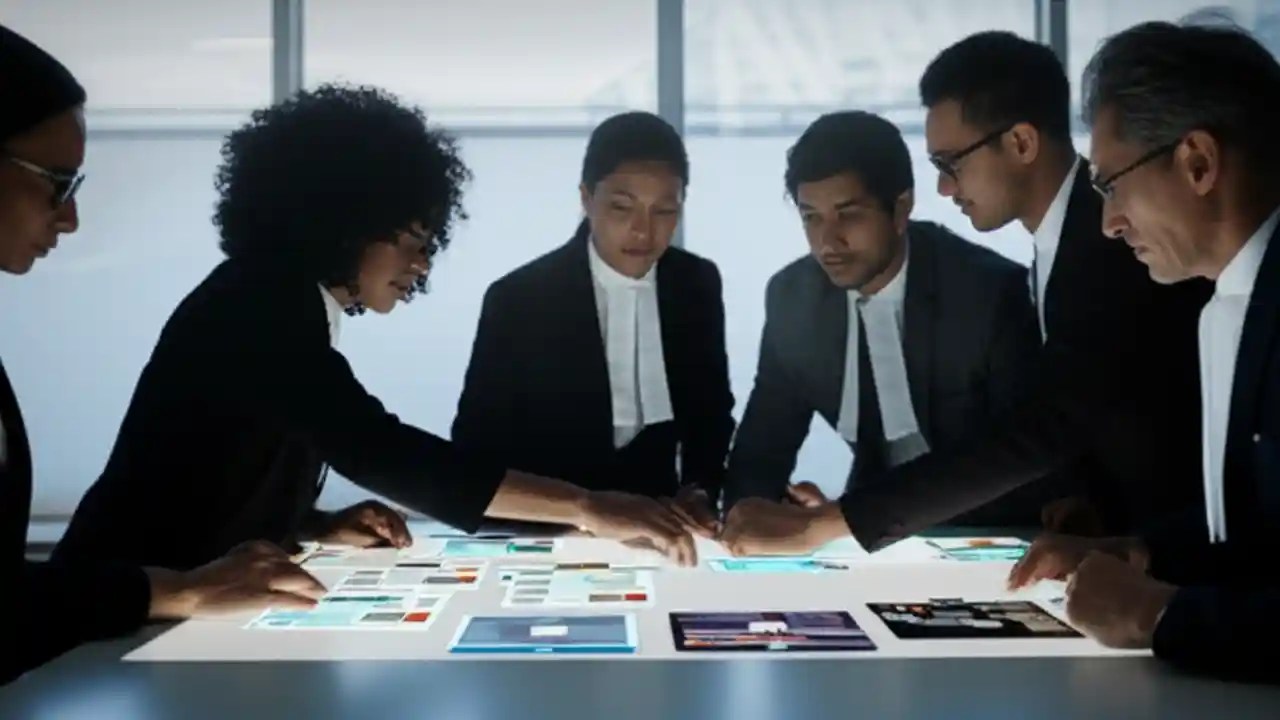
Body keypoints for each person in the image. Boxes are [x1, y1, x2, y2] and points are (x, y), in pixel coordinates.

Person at [52, 85, 698, 574]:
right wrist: (586, 505)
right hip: (109, 602)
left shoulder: (276, 298)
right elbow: (376, 445)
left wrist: (317, 524)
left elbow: (221, 465)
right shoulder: (260, 305)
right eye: (414, 241)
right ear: (346, 223)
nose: (423, 265)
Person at [721, 31, 1210, 557]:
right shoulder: (1064, 244)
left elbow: (1044, 428)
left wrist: (834, 523)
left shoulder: (1100, 244)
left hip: (1183, 547)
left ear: (1021, 143)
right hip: (1127, 536)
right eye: (809, 217)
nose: (947, 190)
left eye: (951, 164)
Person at [0, 24, 326, 685]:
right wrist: (173, 590)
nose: (70, 220)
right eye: (56, 184)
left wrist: (316, 520)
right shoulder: (255, 298)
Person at [1010, 21, 1280, 683]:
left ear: (1197, 162)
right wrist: (1138, 551)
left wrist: (1160, 616)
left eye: (1111, 185)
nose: (1108, 223)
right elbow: (1251, 528)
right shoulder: (1231, 300)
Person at [722, 110, 1047, 528]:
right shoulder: (794, 297)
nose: (828, 240)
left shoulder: (985, 291)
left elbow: (1017, 457)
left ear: (900, 209)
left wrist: (836, 521)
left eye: (848, 213)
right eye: (811, 217)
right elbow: (763, 447)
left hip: (993, 524)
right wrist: (746, 519)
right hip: (865, 526)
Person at [452, 112, 732, 537]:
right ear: (586, 198)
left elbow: (711, 413)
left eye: (665, 210)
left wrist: (699, 490)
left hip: (660, 526)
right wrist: (568, 515)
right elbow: (475, 448)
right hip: (549, 525)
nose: (643, 230)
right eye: (622, 207)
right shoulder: (519, 297)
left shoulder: (696, 282)